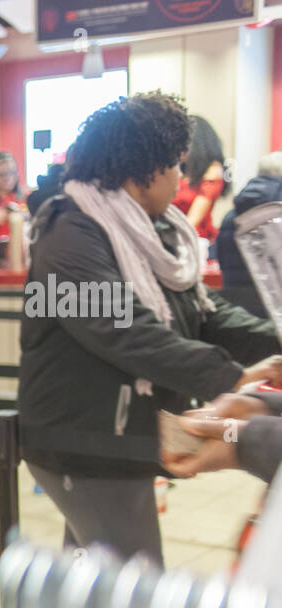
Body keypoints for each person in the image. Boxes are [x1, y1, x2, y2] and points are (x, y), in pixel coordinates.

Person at [18, 91, 282, 577]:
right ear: (144, 172)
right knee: (136, 594)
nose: (182, 178)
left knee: (87, 581)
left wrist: (274, 341)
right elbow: (125, 331)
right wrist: (233, 375)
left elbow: (203, 311)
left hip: (117, 437)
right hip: (87, 443)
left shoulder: (150, 231)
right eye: (176, 166)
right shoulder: (68, 233)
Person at [212, 151, 282, 319]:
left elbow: (219, 256)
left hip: (235, 308)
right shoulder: (278, 214)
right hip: (273, 310)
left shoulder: (231, 215)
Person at [173, 115, 229, 244]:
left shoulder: (212, 172)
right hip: (176, 238)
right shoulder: (180, 169)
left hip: (196, 242)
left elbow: (193, 221)